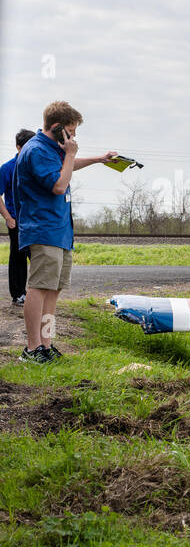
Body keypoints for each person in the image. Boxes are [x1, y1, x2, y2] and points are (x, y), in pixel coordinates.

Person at [13, 101, 117, 363]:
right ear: (58, 128)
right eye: (71, 131)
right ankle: (32, 348)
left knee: (54, 290)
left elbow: (65, 168)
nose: (74, 137)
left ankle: (46, 345)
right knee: (39, 287)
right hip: (43, 228)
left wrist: (98, 160)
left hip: (60, 231)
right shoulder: (36, 150)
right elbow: (59, 185)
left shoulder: (53, 148)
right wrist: (70, 154)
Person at [0, 129, 36, 305]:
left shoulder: (35, 165)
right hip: (15, 220)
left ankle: (38, 294)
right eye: (27, 147)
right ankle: (18, 294)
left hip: (35, 219)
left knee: (38, 256)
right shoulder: (7, 168)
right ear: (18, 147)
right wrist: (7, 217)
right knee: (18, 256)